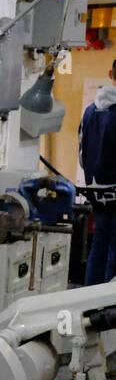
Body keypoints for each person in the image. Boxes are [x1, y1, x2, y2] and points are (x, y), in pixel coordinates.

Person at [78, 59, 116, 283]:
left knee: (99, 243)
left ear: (110, 73)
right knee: (114, 248)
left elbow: (82, 154)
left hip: (96, 188)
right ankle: (109, 306)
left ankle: (89, 299)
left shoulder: (90, 111)